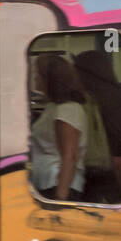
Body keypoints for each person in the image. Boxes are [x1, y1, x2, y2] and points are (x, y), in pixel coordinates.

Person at [74, 49, 121, 202]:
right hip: (107, 182)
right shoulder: (119, 103)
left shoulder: (94, 107)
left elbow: (120, 161)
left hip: (103, 186)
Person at [30, 54, 87, 202]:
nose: (35, 79)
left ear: (50, 79)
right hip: (47, 183)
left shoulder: (67, 110)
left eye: (38, 75)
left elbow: (70, 156)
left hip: (57, 186)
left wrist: (60, 199)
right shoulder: (53, 107)